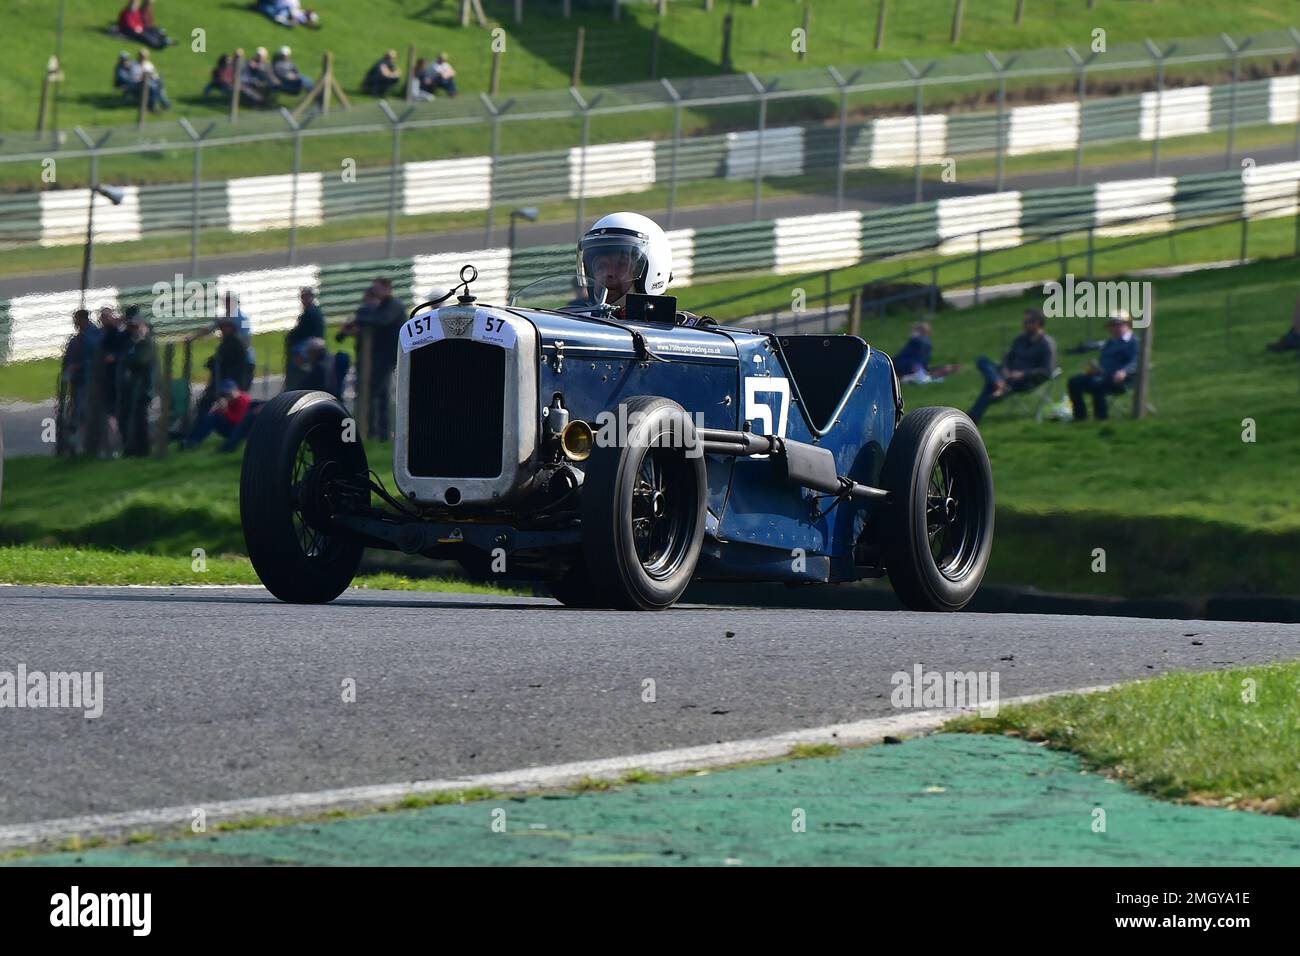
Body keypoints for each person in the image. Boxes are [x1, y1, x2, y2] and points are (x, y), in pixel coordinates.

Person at [337, 277, 405, 439]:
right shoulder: (381, 306)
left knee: (373, 392)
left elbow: (382, 321)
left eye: (377, 289)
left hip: (386, 356)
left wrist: (357, 320)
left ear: (387, 289)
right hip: (378, 357)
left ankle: (374, 431)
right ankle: (379, 433)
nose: (375, 292)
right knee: (379, 394)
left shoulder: (394, 305)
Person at [967, 308, 1057, 424]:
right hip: (1007, 374)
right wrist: (1005, 368)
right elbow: (1008, 357)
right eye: (1024, 322)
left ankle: (973, 417)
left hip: (1025, 380)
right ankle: (1000, 385)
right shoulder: (1020, 339)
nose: (1024, 326)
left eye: (1027, 323)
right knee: (982, 360)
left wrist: (1024, 374)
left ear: (1037, 324)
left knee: (990, 385)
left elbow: (1046, 371)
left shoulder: (1047, 345)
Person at [1067, 313, 1140, 422]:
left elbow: (1136, 361)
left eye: (1119, 325)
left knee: (1097, 384)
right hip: (1103, 375)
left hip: (1122, 380)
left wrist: (1124, 371)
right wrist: (1095, 369)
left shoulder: (1134, 342)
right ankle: (1080, 417)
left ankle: (1101, 417)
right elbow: (1104, 362)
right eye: (1113, 325)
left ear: (1128, 325)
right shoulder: (1110, 342)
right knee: (1074, 382)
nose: (1115, 328)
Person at [119, 306, 157, 457]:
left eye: (135, 326)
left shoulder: (146, 342)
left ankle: (142, 451)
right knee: (129, 419)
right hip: (132, 387)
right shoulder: (131, 341)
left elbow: (140, 360)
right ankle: (131, 449)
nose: (133, 329)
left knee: (140, 421)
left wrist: (128, 357)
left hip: (143, 387)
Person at [182, 380, 261, 452]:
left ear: (236, 390)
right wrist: (218, 409)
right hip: (232, 426)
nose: (228, 395)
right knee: (210, 418)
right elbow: (219, 414)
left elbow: (239, 421)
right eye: (226, 393)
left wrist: (225, 411)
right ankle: (193, 440)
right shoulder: (229, 399)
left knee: (213, 419)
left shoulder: (243, 400)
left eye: (230, 393)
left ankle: (194, 441)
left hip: (239, 430)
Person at [892, 321, 961, 384]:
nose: (911, 333)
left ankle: (944, 369)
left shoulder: (915, 341)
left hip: (909, 366)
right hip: (919, 367)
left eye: (913, 331)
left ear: (918, 331)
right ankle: (945, 369)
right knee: (926, 373)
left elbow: (903, 355)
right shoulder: (927, 343)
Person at [284, 288, 326, 390]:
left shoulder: (311, 312)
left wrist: (291, 336)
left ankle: (295, 379)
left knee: (296, 351)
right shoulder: (312, 311)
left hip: (311, 341)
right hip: (313, 340)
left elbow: (302, 331)